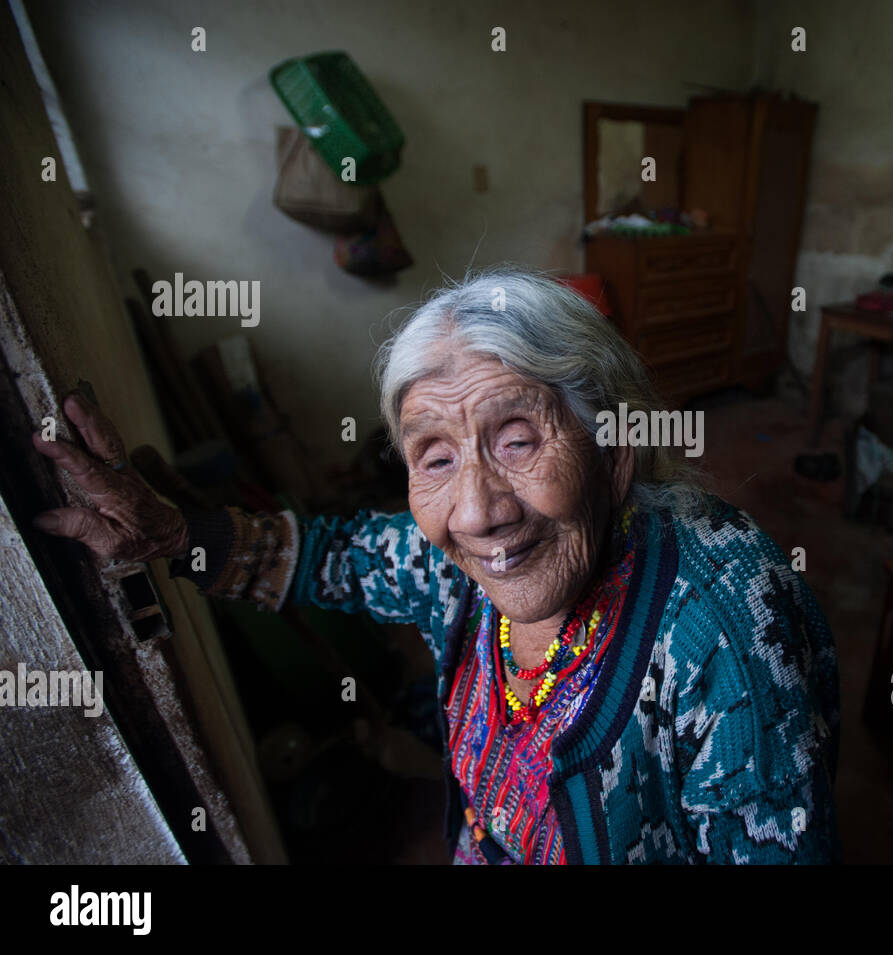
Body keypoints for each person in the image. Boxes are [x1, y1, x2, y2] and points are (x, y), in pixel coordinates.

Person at [33, 265, 841, 864]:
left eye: (517, 440)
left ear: (614, 454)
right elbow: (333, 557)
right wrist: (177, 534)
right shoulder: (457, 561)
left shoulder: (722, 624)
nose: (478, 511)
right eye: (438, 456)